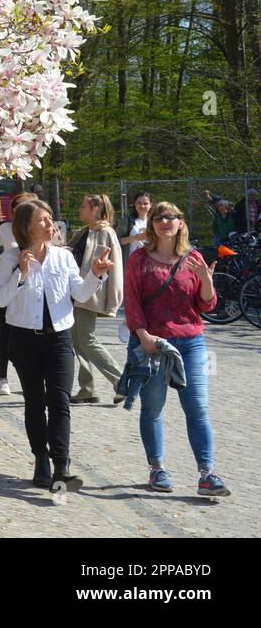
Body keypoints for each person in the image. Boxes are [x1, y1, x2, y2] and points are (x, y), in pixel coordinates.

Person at [0, 200, 114, 491]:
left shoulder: (64, 257)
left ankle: (62, 465)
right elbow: (0, 299)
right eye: (44, 220)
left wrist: (95, 275)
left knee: (59, 401)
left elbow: (80, 293)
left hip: (59, 338)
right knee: (35, 402)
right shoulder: (10, 259)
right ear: (27, 226)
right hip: (24, 339)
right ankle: (41, 461)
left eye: (51, 219)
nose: (51, 225)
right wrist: (21, 273)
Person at [123, 202, 230, 497]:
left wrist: (207, 280)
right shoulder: (140, 260)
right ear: (152, 224)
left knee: (197, 407)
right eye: (159, 217)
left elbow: (206, 304)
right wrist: (143, 336)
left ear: (181, 223)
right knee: (154, 407)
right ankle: (157, 468)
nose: (165, 221)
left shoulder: (193, 257)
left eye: (171, 217)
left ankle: (207, 474)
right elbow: (131, 302)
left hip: (191, 341)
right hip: (154, 344)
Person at [67, 195, 125, 405]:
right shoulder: (84, 231)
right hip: (76, 293)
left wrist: (112, 296)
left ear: (96, 209)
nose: (80, 209)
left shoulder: (105, 232)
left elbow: (114, 268)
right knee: (78, 340)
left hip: (90, 293)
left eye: (84, 206)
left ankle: (121, 382)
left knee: (87, 339)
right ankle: (87, 389)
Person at [0, 193, 37, 395]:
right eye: (16, 207)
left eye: (25, 206)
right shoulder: (6, 229)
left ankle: (32, 377)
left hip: (33, 288)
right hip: (8, 286)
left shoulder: (40, 229)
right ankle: (2, 378)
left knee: (30, 334)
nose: (19, 210)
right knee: (5, 333)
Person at [120, 191, 151, 259]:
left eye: (145, 203)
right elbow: (116, 241)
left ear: (150, 205)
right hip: (132, 262)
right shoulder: (127, 221)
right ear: (134, 204)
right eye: (139, 203)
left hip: (151, 261)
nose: (142, 206)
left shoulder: (155, 221)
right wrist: (135, 237)